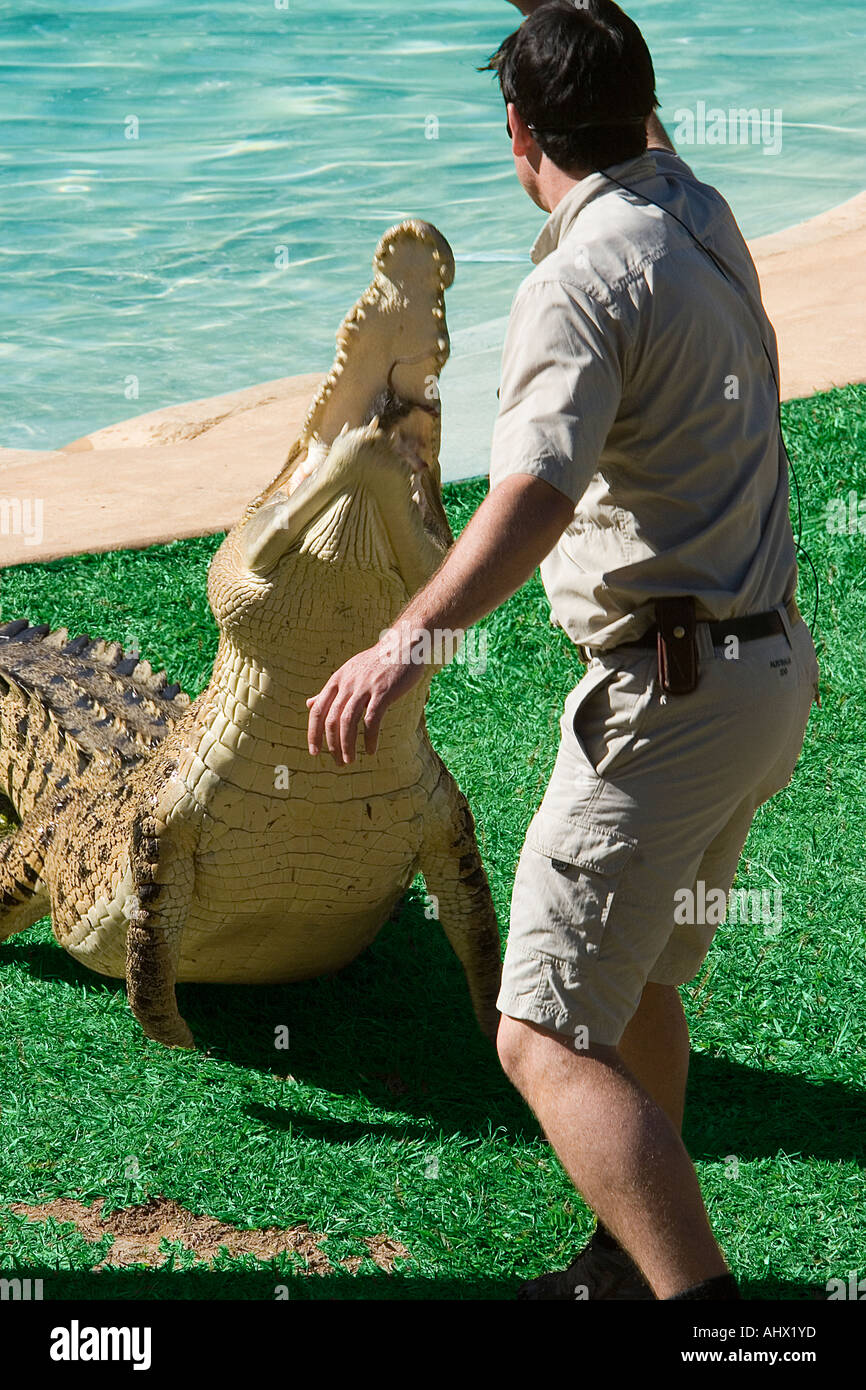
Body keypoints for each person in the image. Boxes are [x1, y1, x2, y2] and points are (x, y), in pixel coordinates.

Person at [306, 0, 820, 1300]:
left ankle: (711, 1321)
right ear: (643, 112)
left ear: (517, 130)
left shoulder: (578, 279)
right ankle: (616, 1266)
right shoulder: (698, 211)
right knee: (636, 969)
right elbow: (625, 118)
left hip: (670, 700)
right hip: (761, 675)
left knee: (536, 1031)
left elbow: (534, 487)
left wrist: (408, 642)